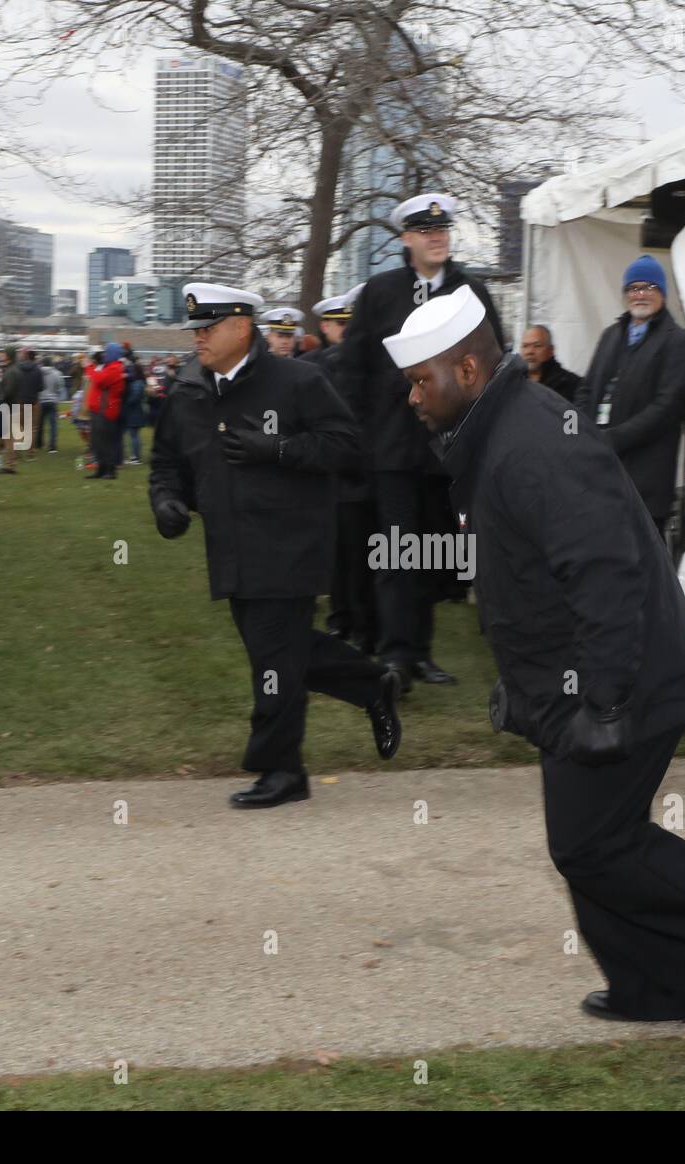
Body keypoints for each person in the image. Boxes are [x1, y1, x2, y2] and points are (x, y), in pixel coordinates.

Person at [385, 285, 685, 1035]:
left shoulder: (529, 442)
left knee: (595, 846)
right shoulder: (505, 431)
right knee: (589, 844)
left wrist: (607, 703)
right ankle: (668, 987)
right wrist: (526, 691)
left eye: (421, 381)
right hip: (580, 680)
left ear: (465, 367)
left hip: (621, 677)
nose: (413, 398)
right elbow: (536, 582)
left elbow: (609, 574)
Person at [149, 282, 403, 809]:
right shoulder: (189, 389)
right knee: (285, 652)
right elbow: (166, 463)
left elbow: (348, 448)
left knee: (272, 657)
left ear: (243, 328)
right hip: (231, 547)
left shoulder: (298, 380)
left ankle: (282, 768)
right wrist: (167, 501)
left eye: (208, 328)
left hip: (292, 543)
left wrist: (279, 448)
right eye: (195, 328)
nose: (197, 338)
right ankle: (374, 684)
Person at [339, 192, 506, 689]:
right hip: (392, 447)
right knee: (395, 552)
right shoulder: (379, 293)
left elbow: (494, 362)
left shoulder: (471, 293)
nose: (437, 237)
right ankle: (394, 654)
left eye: (442, 230)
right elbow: (353, 371)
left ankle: (421, 652)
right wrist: (358, 435)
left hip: (449, 449)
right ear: (406, 239)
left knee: (434, 552)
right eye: (425, 231)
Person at [575, 254, 685, 535]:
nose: (639, 294)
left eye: (648, 287)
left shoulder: (677, 341)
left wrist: (613, 438)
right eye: (633, 288)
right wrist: (585, 430)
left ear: (663, 294)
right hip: (599, 475)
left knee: (638, 567)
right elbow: (586, 388)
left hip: (645, 483)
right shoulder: (610, 335)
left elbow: (667, 408)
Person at [307, 291, 377, 654]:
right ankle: (339, 619)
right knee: (335, 554)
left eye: (350, 324)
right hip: (329, 472)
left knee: (360, 555)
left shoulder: (369, 363)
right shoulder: (315, 365)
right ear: (324, 326)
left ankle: (363, 627)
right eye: (339, 324)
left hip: (360, 473)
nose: (346, 331)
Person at [86, 343, 125, 480]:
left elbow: (99, 380)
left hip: (106, 410)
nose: (104, 355)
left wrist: (90, 367)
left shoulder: (115, 368)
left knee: (106, 442)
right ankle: (101, 469)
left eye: (106, 352)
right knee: (98, 442)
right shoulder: (109, 367)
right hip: (100, 409)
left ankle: (110, 470)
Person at [519, 324, 580, 401]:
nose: (529, 351)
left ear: (551, 350)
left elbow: (573, 413)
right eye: (525, 346)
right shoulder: (512, 382)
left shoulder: (572, 385)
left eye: (537, 345)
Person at [16, 348, 44, 460]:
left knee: (19, 427)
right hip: (33, 402)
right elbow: (41, 387)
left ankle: (16, 452)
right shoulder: (38, 370)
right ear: (34, 357)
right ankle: (30, 454)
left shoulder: (18, 368)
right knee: (32, 428)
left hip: (19, 401)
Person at [121, 347, 147, 465]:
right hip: (135, 412)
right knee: (133, 435)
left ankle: (136, 458)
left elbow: (135, 397)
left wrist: (125, 402)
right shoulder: (138, 382)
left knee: (134, 436)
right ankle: (134, 456)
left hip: (134, 413)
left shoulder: (137, 383)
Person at [0, 348, 21, 473]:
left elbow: (8, 391)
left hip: (10, 407)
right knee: (11, 437)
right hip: (13, 406)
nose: (1, 355)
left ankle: (10, 465)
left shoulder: (11, 371)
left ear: (9, 356)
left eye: (4, 353)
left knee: (9, 438)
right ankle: (11, 463)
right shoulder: (13, 369)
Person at [38, 356, 65, 453]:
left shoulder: (39, 373)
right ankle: (52, 446)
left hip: (41, 400)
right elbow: (59, 388)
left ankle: (39, 443)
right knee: (53, 425)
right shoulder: (57, 373)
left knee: (40, 424)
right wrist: (57, 398)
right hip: (53, 400)